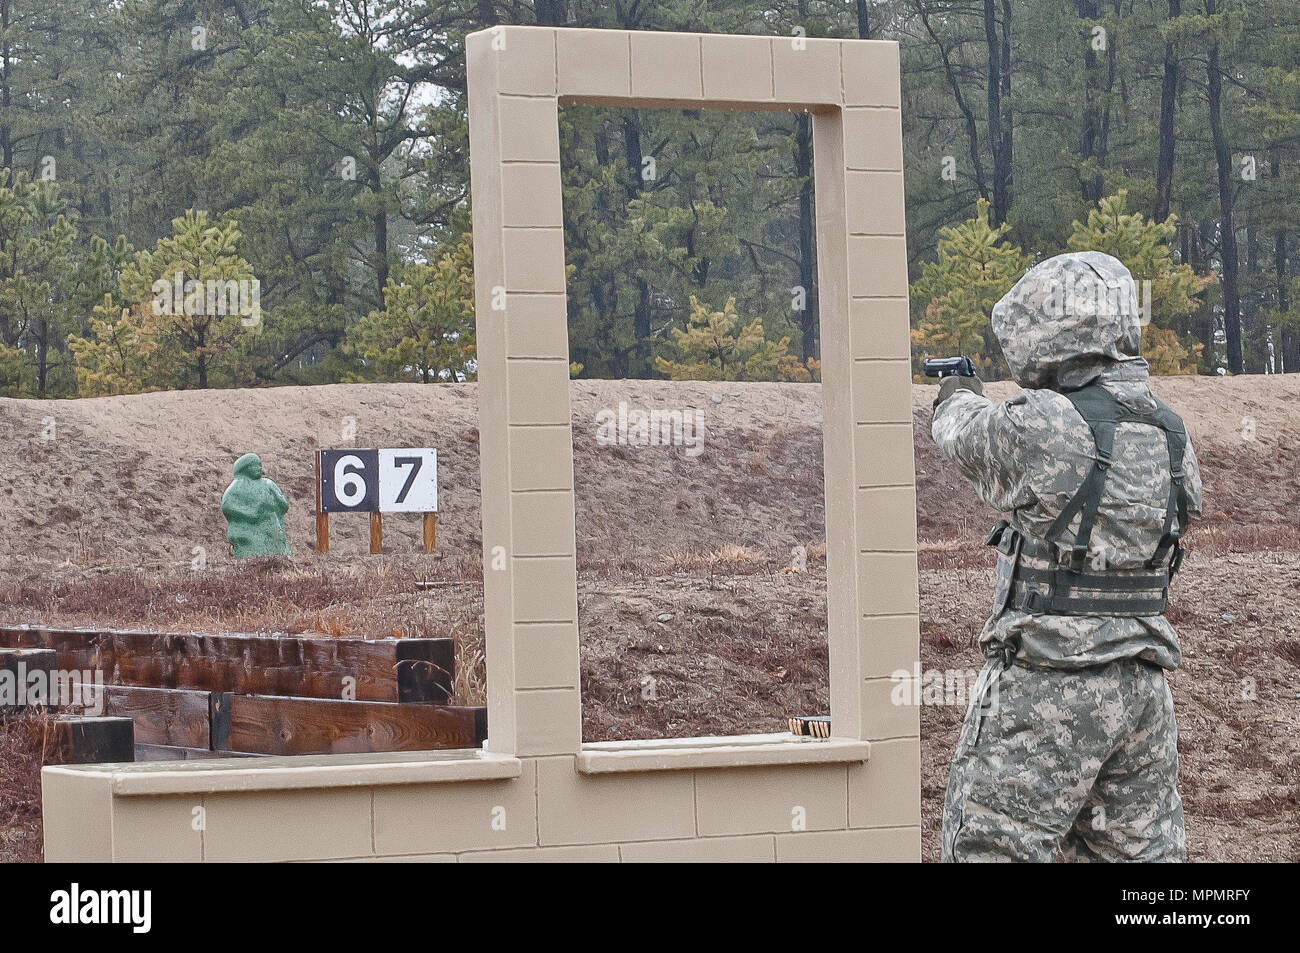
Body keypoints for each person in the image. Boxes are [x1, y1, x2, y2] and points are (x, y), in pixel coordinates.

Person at [931, 250, 1203, 862]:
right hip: (1141, 690)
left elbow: (965, 436)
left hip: (1048, 686)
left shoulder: (1046, 423)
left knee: (991, 848)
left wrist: (955, 393)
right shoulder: (1170, 432)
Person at [220, 452, 291, 558]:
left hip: (272, 527)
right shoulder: (237, 486)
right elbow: (227, 506)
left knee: (277, 554)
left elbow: (283, 504)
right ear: (244, 468)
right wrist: (250, 513)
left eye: (259, 465)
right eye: (253, 465)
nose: (258, 468)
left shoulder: (268, 484)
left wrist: (273, 505)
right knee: (252, 555)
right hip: (247, 533)